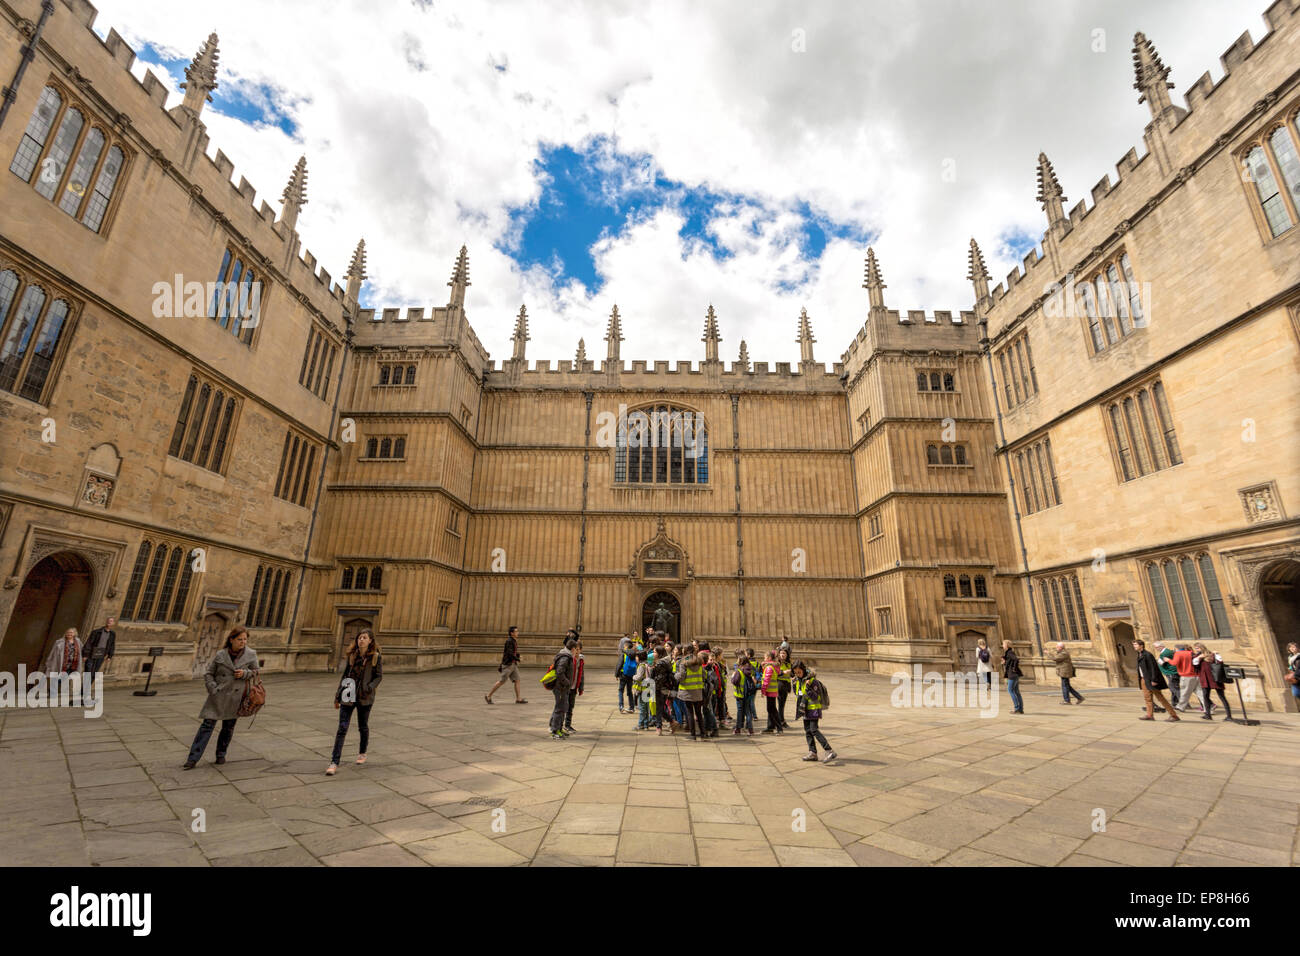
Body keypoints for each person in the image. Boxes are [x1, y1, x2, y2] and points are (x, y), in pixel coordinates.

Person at [183, 626, 257, 769]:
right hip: (218, 695)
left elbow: (255, 672)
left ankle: (221, 754)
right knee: (206, 726)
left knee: (228, 728)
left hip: (235, 697)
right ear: (231, 640)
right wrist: (212, 688)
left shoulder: (251, 654)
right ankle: (193, 758)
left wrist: (245, 673)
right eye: (240, 639)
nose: (243, 642)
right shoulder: (221, 655)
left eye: (245, 639)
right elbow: (209, 673)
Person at [328, 629, 382, 775]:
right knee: (342, 729)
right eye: (359, 638)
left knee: (362, 726)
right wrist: (337, 696)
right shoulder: (352, 656)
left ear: (370, 640)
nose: (361, 640)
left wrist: (369, 688)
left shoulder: (375, 657)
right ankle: (334, 762)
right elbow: (345, 676)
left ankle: (362, 752)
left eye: (364, 638)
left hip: (365, 697)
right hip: (348, 694)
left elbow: (378, 676)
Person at [793, 661, 836, 762]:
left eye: (799, 672)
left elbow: (817, 697)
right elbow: (798, 694)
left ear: (803, 670)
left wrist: (808, 689)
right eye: (795, 672)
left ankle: (829, 750)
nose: (797, 674)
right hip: (804, 710)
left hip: (813, 710)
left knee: (814, 730)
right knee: (808, 731)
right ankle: (813, 753)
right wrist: (794, 685)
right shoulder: (798, 681)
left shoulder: (812, 681)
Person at [1135, 638, 1179, 721]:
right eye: (1134, 644)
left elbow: (1153, 668)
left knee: (1160, 698)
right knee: (1147, 698)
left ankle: (1174, 715)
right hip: (1143, 679)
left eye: (1135, 644)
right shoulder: (1139, 654)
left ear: (1141, 646)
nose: (1134, 646)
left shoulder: (1148, 655)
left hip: (1150, 679)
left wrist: (1154, 680)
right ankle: (1149, 715)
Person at [485, 625, 526, 704]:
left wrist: (517, 656)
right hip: (508, 665)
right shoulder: (509, 641)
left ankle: (518, 699)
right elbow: (509, 653)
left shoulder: (513, 641)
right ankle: (488, 696)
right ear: (511, 633)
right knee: (502, 681)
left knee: (517, 680)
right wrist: (518, 658)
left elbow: (512, 652)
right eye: (516, 631)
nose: (518, 633)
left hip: (513, 664)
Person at [1192, 642, 1232, 722]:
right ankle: (1208, 715)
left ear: (1202, 647)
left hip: (1215, 678)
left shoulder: (1213, 654)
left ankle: (1229, 716)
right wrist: (1199, 657)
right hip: (1205, 679)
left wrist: (1216, 654)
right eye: (1195, 648)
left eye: (1197, 648)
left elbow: (1220, 662)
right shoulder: (1197, 657)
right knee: (1205, 697)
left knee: (1222, 697)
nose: (1196, 650)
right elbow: (1194, 664)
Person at [81, 615, 116, 701]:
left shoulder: (112, 634)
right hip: (91, 655)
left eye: (111, 621)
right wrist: (85, 654)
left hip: (101, 656)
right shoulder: (96, 632)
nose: (109, 622)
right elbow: (89, 642)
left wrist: (110, 656)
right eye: (108, 620)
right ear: (106, 622)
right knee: (88, 672)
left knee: (93, 673)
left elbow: (112, 645)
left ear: (113, 623)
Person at [547, 637, 576, 739]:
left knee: (563, 707)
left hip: (563, 687)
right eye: (575, 649)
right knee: (559, 709)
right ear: (573, 649)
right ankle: (554, 731)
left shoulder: (566, 656)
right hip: (560, 687)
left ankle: (558, 728)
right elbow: (560, 672)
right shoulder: (565, 657)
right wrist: (567, 682)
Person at [676, 652, 707, 740]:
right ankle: (703, 733)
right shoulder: (700, 666)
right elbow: (704, 676)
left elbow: (681, 677)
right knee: (699, 713)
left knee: (689, 713)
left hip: (687, 692)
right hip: (698, 692)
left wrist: (675, 675)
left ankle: (692, 734)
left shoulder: (684, 665)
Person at [731, 653, 755, 735]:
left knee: (740, 712)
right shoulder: (749, 669)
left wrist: (733, 676)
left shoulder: (739, 671)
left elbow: (735, 682)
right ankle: (750, 729)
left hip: (740, 695)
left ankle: (738, 728)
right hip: (748, 694)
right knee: (748, 712)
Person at [565, 640, 585, 734]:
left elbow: (581, 675)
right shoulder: (569, 658)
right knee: (562, 706)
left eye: (578, 649)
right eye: (575, 649)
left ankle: (567, 725)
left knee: (570, 707)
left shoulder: (580, 660)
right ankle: (554, 724)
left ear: (581, 650)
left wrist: (581, 687)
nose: (576, 651)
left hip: (574, 687)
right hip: (566, 686)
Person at [760, 651, 782, 733]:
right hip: (772, 691)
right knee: (771, 709)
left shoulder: (769, 667)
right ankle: (770, 727)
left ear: (769, 658)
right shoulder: (773, 666)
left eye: (765, 657)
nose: (764, 659)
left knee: (772, 710)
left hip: (770, 691)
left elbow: (766, 680)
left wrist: (763, 690)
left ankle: (779, 728)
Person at [1171, 644, 1198, 712]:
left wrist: (1167, 660)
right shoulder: (1190, 652)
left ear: (1176, 648)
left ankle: (1181, 707)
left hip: (1186, 675)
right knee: (1200, 692)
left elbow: (1174, 663)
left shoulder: (1178, 653)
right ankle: (1210, 706)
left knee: (1184, 692)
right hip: (1195, 675)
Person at [1155, 642, 1179, 711]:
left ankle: (1184, 703)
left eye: (1156, 647)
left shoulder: (1165, 653)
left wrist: (1157, 661)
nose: (1156, 649)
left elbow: (1161, 663)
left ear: (1161, 646)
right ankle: (1175, 702)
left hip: (1171, 673)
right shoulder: (1165, 652)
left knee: (1174, 688)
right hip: (1170, 673)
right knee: (1173, 688)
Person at [1001, 640, 1024, 714]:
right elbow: (1011, 661)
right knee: (1017, 692)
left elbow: (1016, 660)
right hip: (1014, 675)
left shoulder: (1010, 652)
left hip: (1012, 675)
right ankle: (1020, 709)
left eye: (1003, 644)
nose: (1002, 645)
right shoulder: (1008, 653)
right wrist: (1005, 662)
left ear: (1007, 645)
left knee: (1010, 690)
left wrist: (1014, 668)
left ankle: (1017, 708)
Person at [618, 634, 638, 714]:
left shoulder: (625, 653)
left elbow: (619, 664)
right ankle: (632, 707)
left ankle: (621, 706)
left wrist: (616, 674)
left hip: (623, 674)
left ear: (626, 646)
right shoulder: (634, 653)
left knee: (620, 690)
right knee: (629, 691)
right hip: (631, 675)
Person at [775, 648, 794, 729]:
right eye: (781, 653)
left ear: (787, 655)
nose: (782, 655)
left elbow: (793, 674)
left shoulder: (789, 663)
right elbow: (774, 673)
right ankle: (781, 721)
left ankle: (781, 721)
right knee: (780, 704)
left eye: (784, 653)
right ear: (779, 654)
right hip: (779, 684)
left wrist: (792, 674)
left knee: (782, 704)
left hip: (786, 685)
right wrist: (783, 672)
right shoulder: (776, 663)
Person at [633, 650, 651, 730]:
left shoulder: (641, 666)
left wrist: (634, 676)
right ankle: (646, 724)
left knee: (642, 708)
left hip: (642, 689)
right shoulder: (647, 664)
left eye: (636, 657)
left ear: (639, 657)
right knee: (646, 708)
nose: (635, 658)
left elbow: (639, 677)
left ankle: (641, 724)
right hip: (647, 688)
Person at [1287, 642, 1300, 707]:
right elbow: (1291, 666)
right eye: (1291, 647)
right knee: (1296, 693)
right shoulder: (1290, 657)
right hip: (1295, 676)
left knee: (1296, 692)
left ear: (1297, 648)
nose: (1292, 648)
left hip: (1298, 675)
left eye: (1294, 647)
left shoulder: (1299, 655)